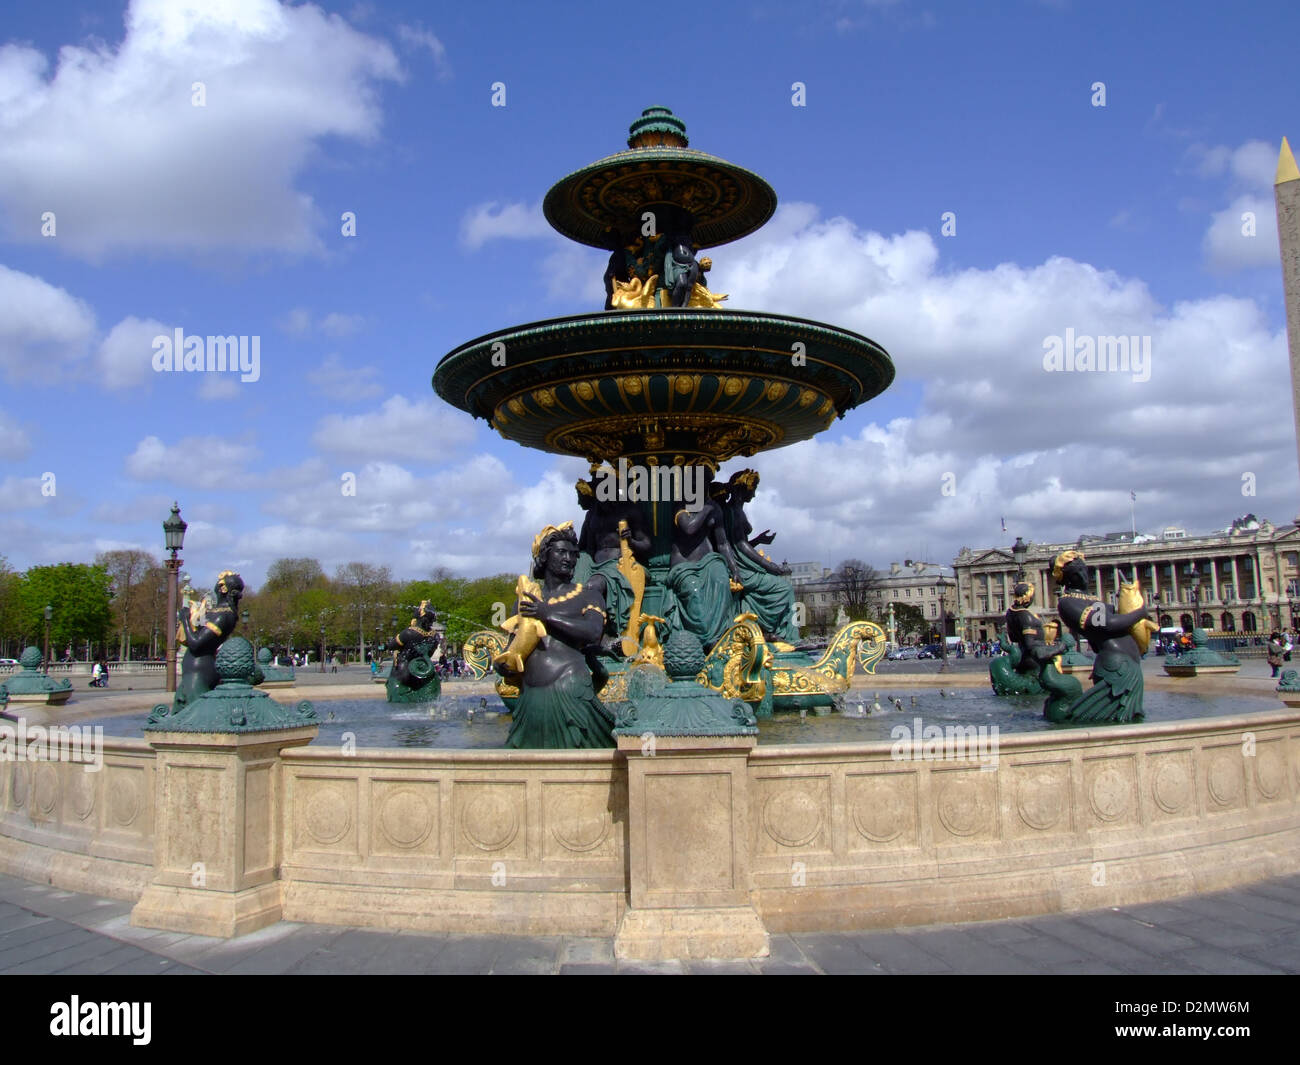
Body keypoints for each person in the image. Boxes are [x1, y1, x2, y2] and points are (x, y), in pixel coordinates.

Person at [498, 522, 615, 749]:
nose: (569, 559)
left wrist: (547, 615)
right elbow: (513, 647)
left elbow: (592, 633)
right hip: (530, 697)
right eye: (561, 552)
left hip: (570, 690)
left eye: (573, 554)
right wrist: (503, 665)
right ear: (544, 556)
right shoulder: (526, 599)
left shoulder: (588, 595)